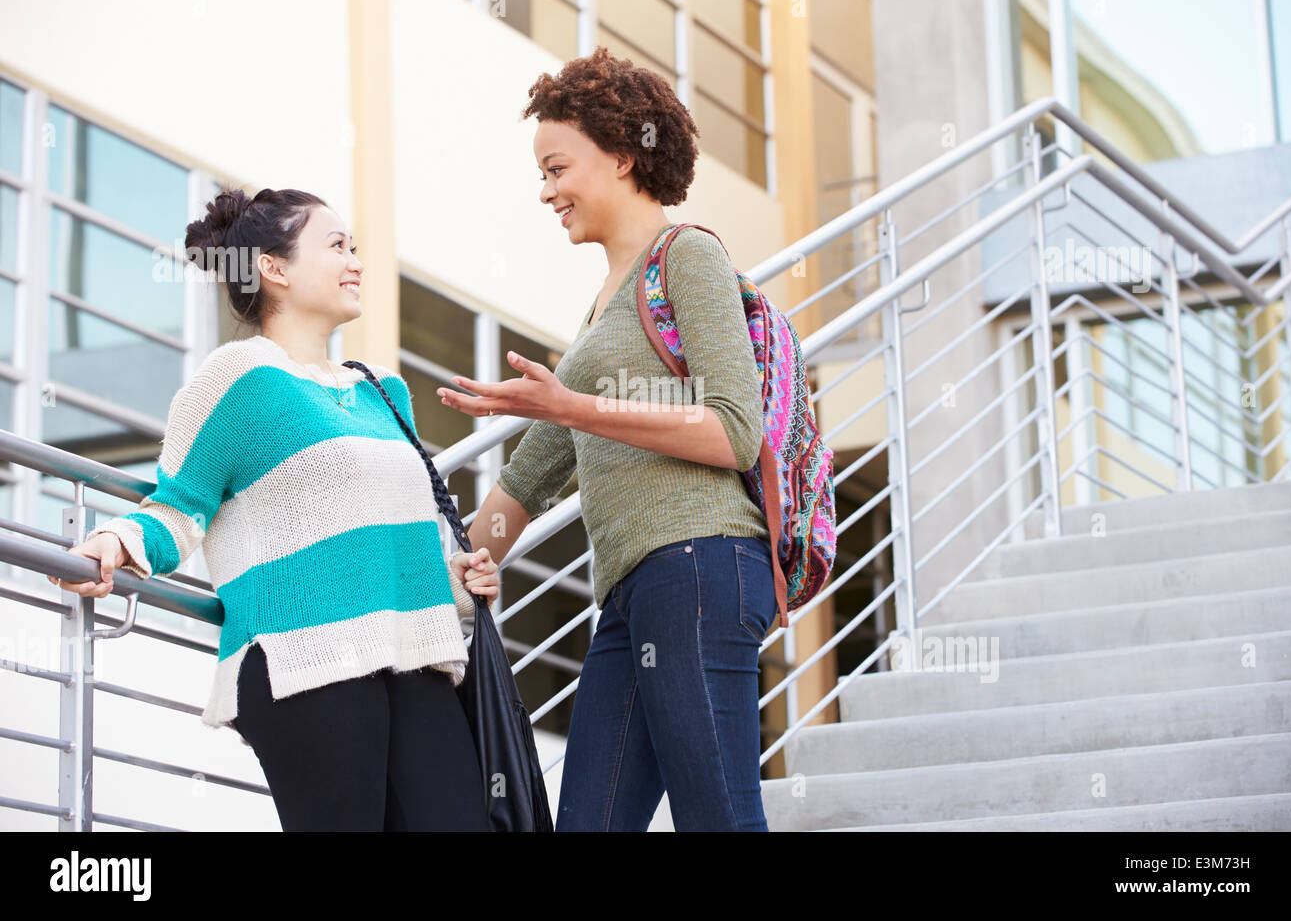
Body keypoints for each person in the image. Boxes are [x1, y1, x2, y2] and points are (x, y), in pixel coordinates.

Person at [48, 186, 502, 831]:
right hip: (304, 657)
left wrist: (455, 581)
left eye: (355, 247)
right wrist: (117, 544)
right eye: (338, 245)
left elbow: (408, 536)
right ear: (275, 267)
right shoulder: (239, 376)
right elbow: (181, 503)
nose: (358, 262)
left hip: (416, 657)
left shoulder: (382, 389)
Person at [438, 47, 777, 831]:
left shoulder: (687, 257)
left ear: (624, 156)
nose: (547, 191)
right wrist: (447, 574)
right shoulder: (601, 311)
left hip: (699, 565)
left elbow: (734, 430)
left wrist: (571, 405)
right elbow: (529, 480)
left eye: (558, 168)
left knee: (717, 817)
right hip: (631, 596)